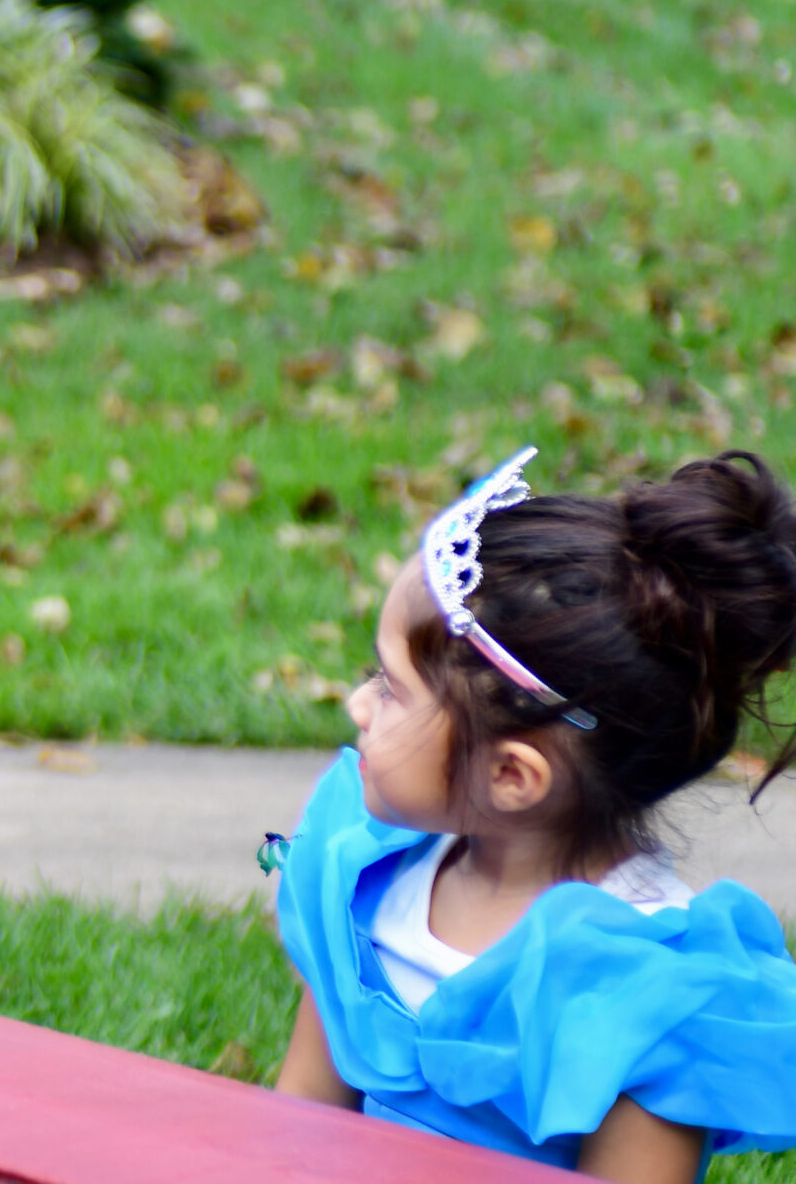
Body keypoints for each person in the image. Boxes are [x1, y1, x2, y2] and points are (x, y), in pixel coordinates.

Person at [272, 447, 796, 1179]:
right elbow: (289, 1138)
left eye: (388, 688)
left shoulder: (647, 992)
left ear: (511, 774)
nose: (357, 704)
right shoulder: (364, 877)